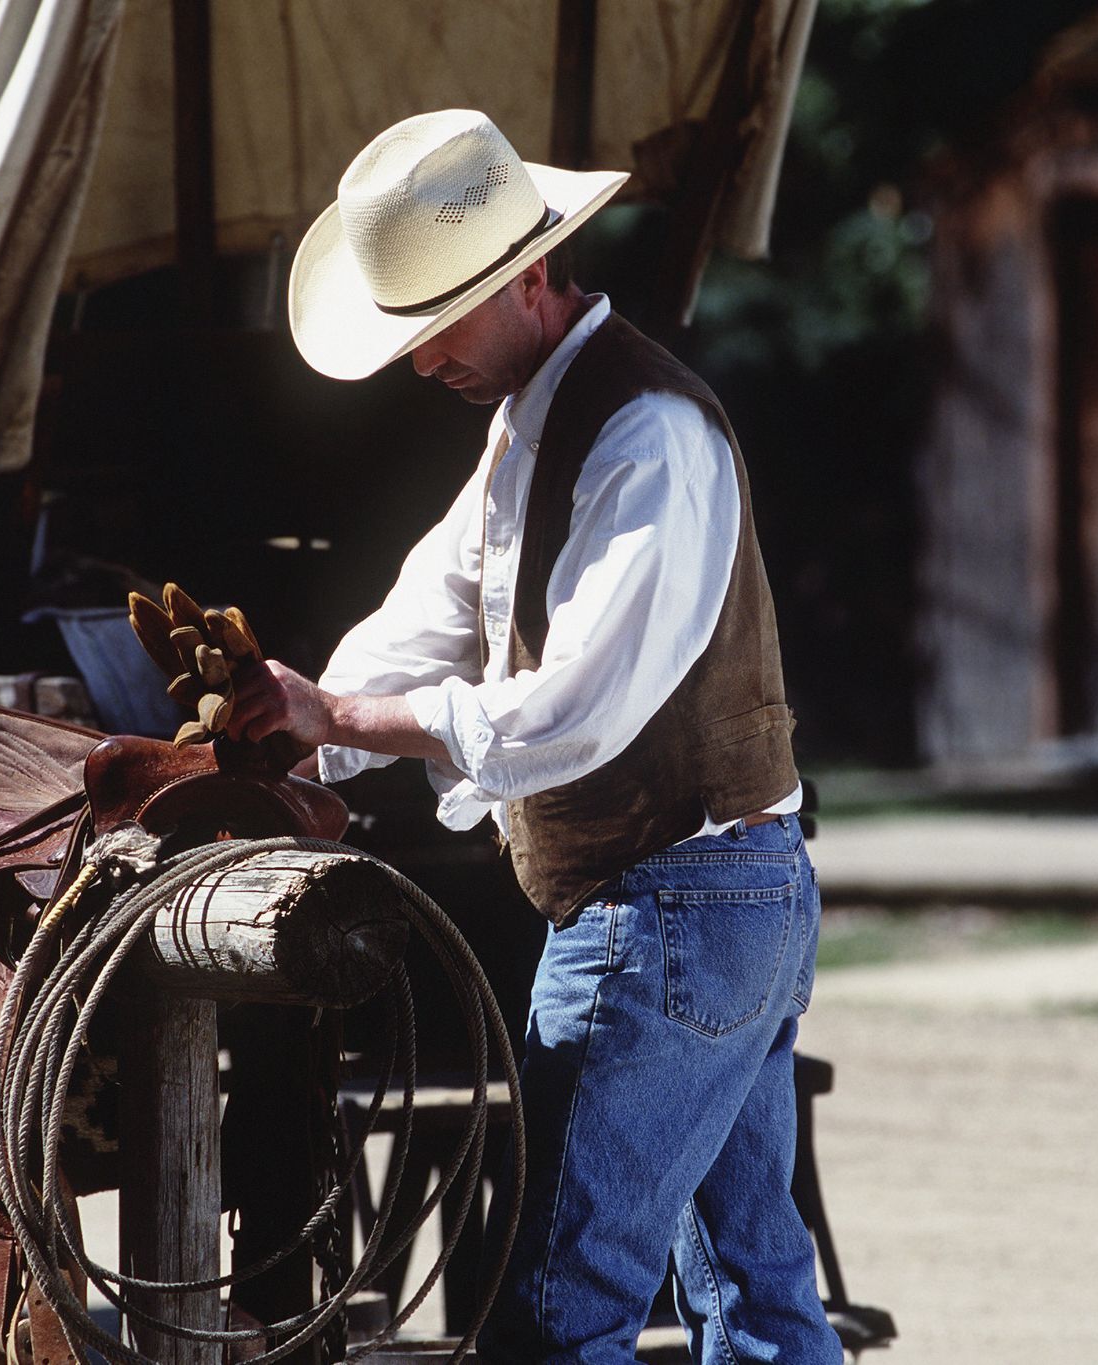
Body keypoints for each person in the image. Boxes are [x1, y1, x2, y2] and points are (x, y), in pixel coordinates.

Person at [230, 108, 840, 1365]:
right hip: (714, 902)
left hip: (668, 906)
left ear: (526, 278)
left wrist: (340, 720)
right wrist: (301, 734)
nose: (418, 364)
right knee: (753, 1297)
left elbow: (569, 713)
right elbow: (429, 613)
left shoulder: (642, 435)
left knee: (557, 1309)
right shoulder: (531, 424)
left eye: (432, 325)